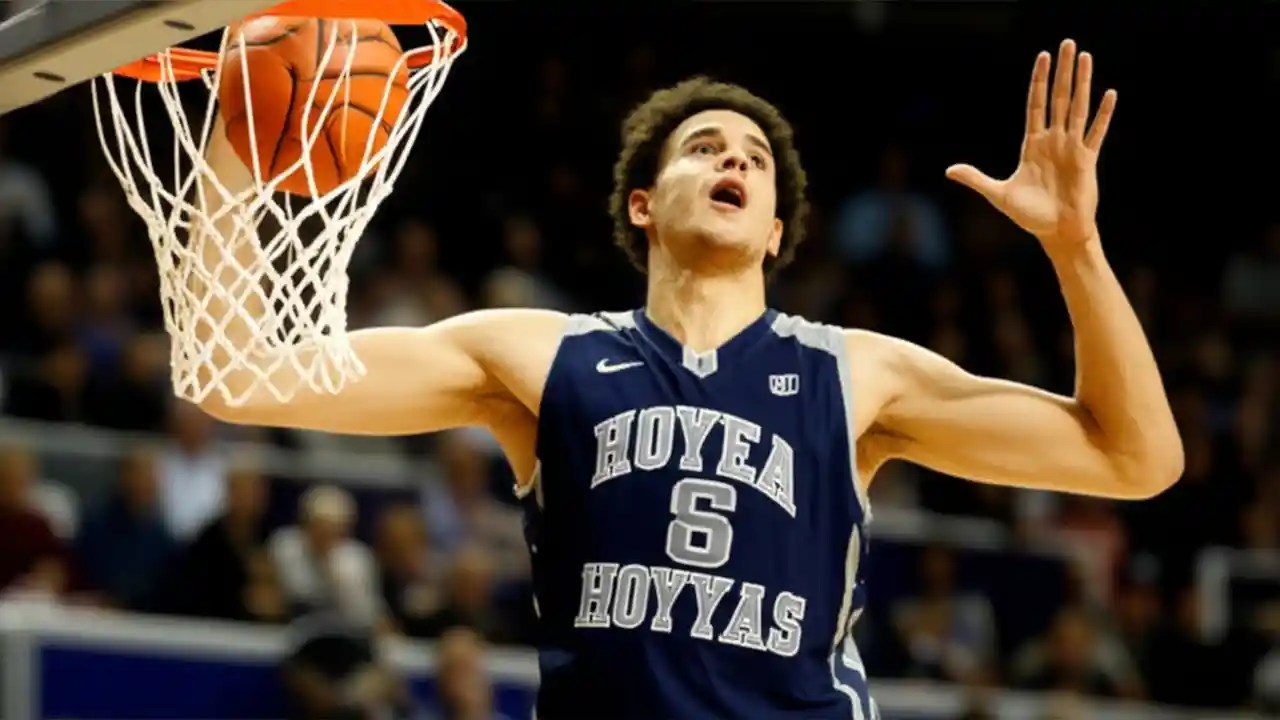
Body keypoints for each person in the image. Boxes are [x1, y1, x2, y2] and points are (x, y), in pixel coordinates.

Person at [193, 39, 1182, 719]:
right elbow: (236, 375)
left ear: (775, 230)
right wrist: (235, 141)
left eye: (751, 157)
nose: (732, 161)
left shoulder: (853, 374)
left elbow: (1131, 459)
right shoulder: (539, 358)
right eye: (703, 147)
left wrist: (1075, 249)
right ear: (641, 205)